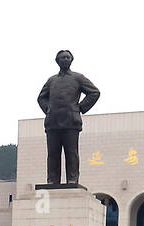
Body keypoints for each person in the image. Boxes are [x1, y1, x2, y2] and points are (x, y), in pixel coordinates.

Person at [37, 50, 100, 187]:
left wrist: (80, 108)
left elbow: (94, 93)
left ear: (71, 60)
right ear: (57, 61)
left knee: (71, 153)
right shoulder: (52, 80)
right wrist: (48, 111)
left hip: (71, 121)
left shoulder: (78, 78)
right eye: (62, 58)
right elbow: (41, 97)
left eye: (67, 57)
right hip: (53, 122)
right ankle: (52, 180)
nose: (65, 60)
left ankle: (72, 179)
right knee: (53, 154)